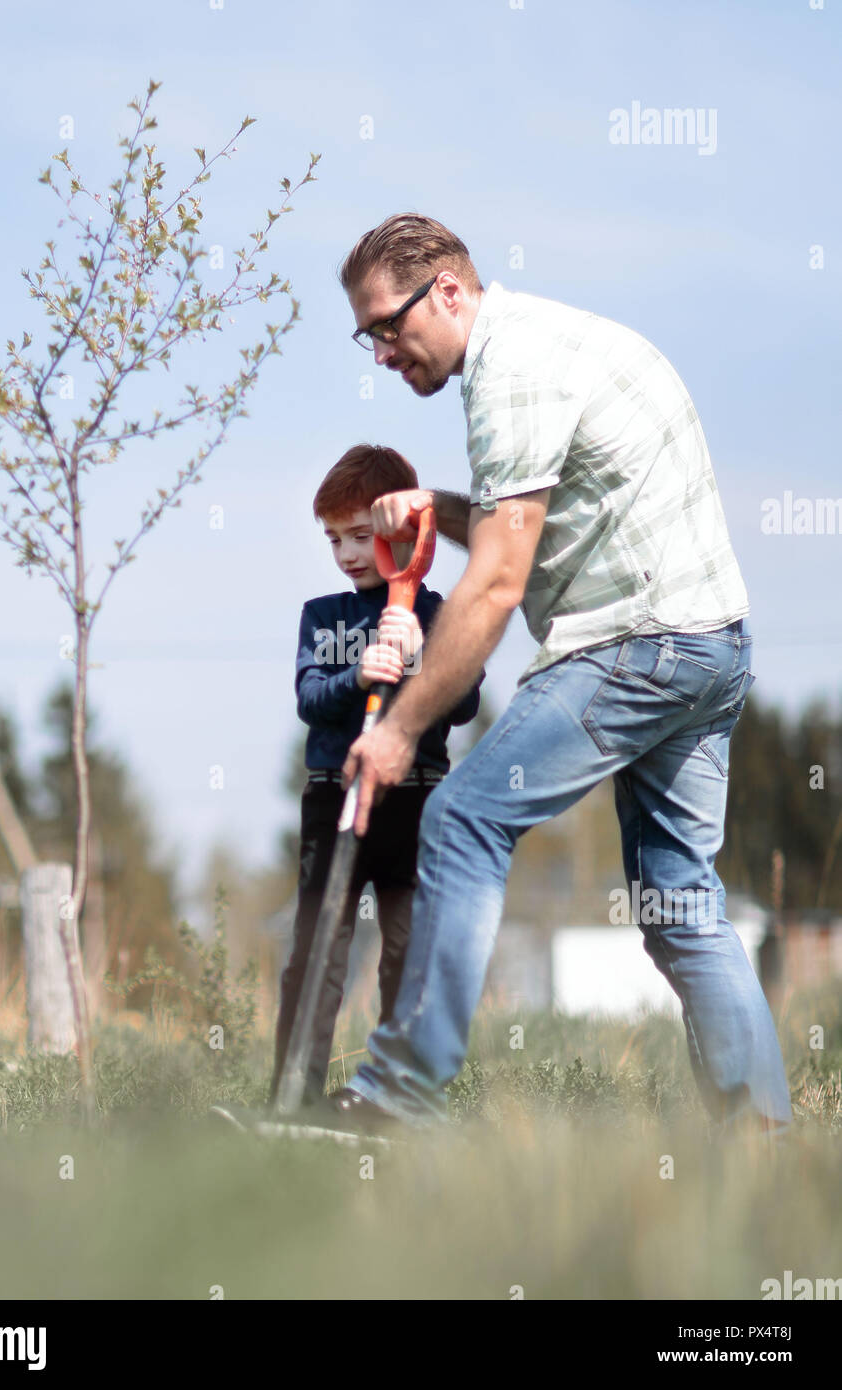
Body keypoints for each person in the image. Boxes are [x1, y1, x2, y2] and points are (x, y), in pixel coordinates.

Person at [326, 213, 793, 1138]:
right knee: (679, 903)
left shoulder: (514, 373)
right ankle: (760, 1141)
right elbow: (539, 528)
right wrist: (442, 509)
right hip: (710, 650)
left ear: (448, 291)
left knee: (463, 817)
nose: (380, 351)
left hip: (637, 649)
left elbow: (497, 583)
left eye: (387, 325)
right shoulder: (549, 341)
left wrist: (396, 729)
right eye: (366, 334)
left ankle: (395, 1099)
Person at [269, 442, 483, 1106]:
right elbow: (308, 700)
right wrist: (358, 674)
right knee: (316, 951)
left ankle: (397, 1094)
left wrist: (424, 661)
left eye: (361, 535)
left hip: (416, 802)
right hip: (334, 797)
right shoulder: (322, 616)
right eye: (335, 539)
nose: (348, 553)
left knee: (405, 952)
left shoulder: (434, 611)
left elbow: (467, 702)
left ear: (401, 535)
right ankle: (293, 1097)